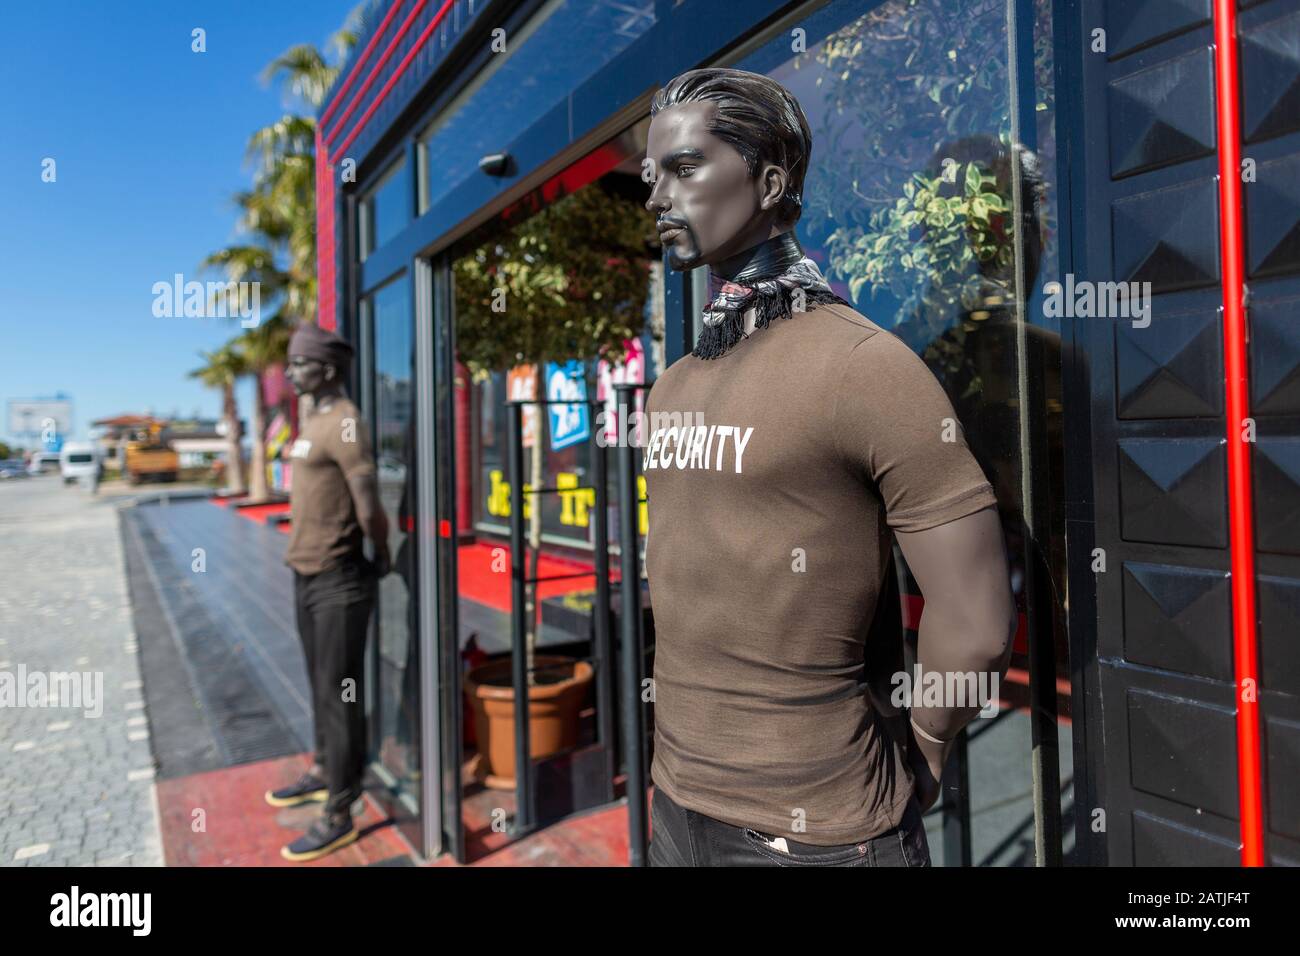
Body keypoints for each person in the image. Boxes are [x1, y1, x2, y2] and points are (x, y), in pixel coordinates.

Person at [640, 68, 1018, 866]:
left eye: (684, 168)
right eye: (651, 176)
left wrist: (925, 748)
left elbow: (977, 620)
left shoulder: (864, 367)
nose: (657, 198)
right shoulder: (675, 381)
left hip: (821, 834)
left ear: (771, 181)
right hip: (674, 805)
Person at [267, 322, 391, 862]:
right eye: (291, 362)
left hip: (340, 577)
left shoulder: (345, 422)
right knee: (320, 687)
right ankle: (323, 770)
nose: (291, 371)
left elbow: (367, 500)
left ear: (328, 368)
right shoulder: (312, 419)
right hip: (305, 573)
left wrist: (379, 551)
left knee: (341, 695)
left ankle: (340, 810)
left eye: (300, 363)